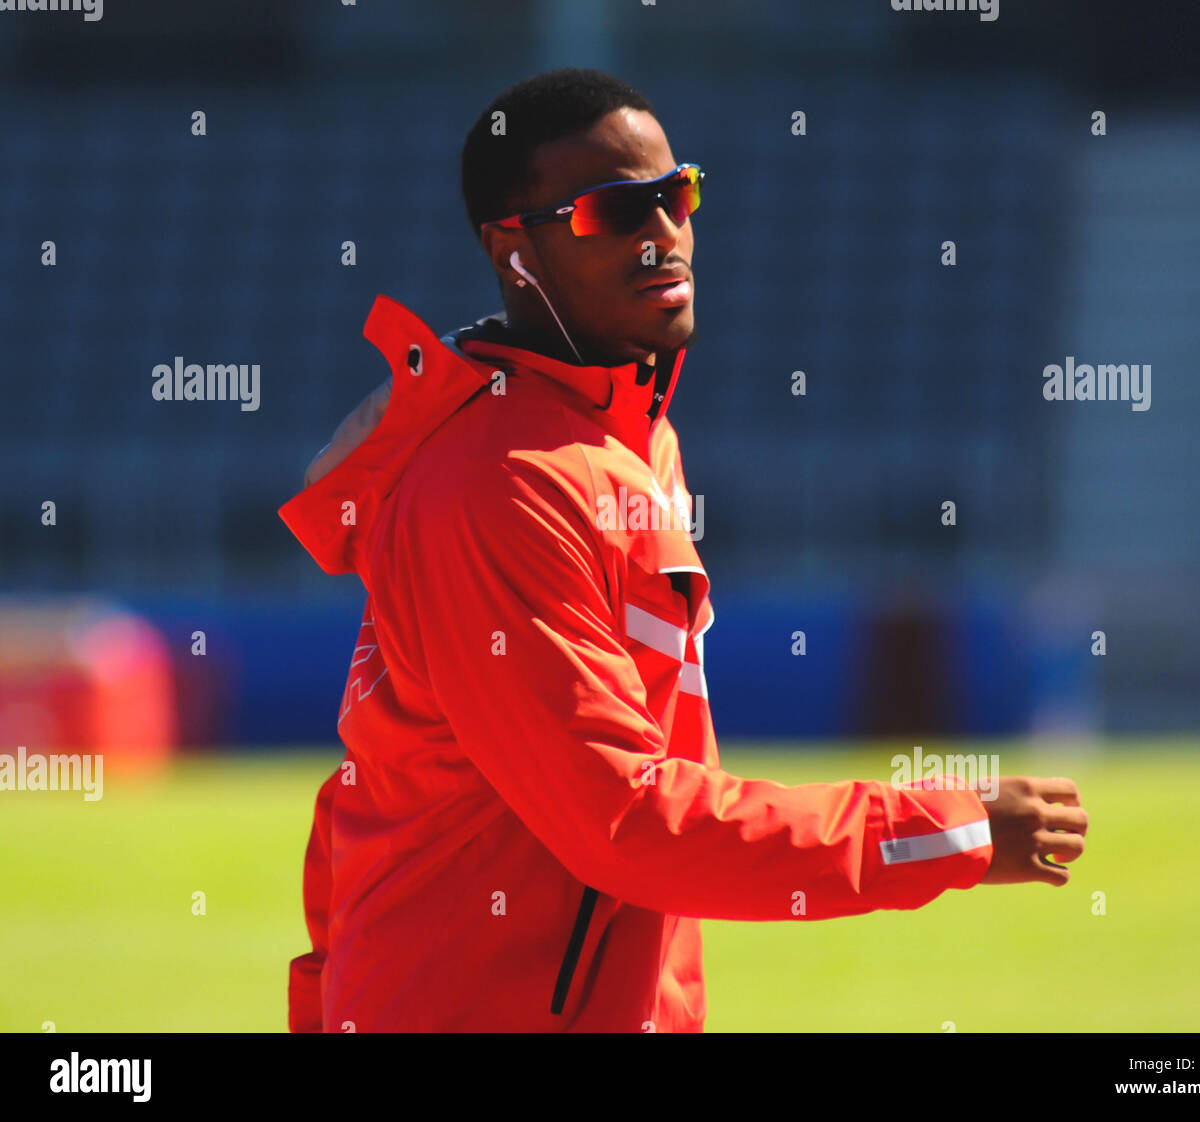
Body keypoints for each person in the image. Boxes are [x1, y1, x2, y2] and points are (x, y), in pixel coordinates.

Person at [279, 67, 1088, 1033]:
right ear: (514, 252)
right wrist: (943, 831)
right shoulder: (499, 481)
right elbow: (623, 822)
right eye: (611, 211)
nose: (662, 230)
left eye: (676, 194)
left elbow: (365, 802)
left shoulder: (632, 433)